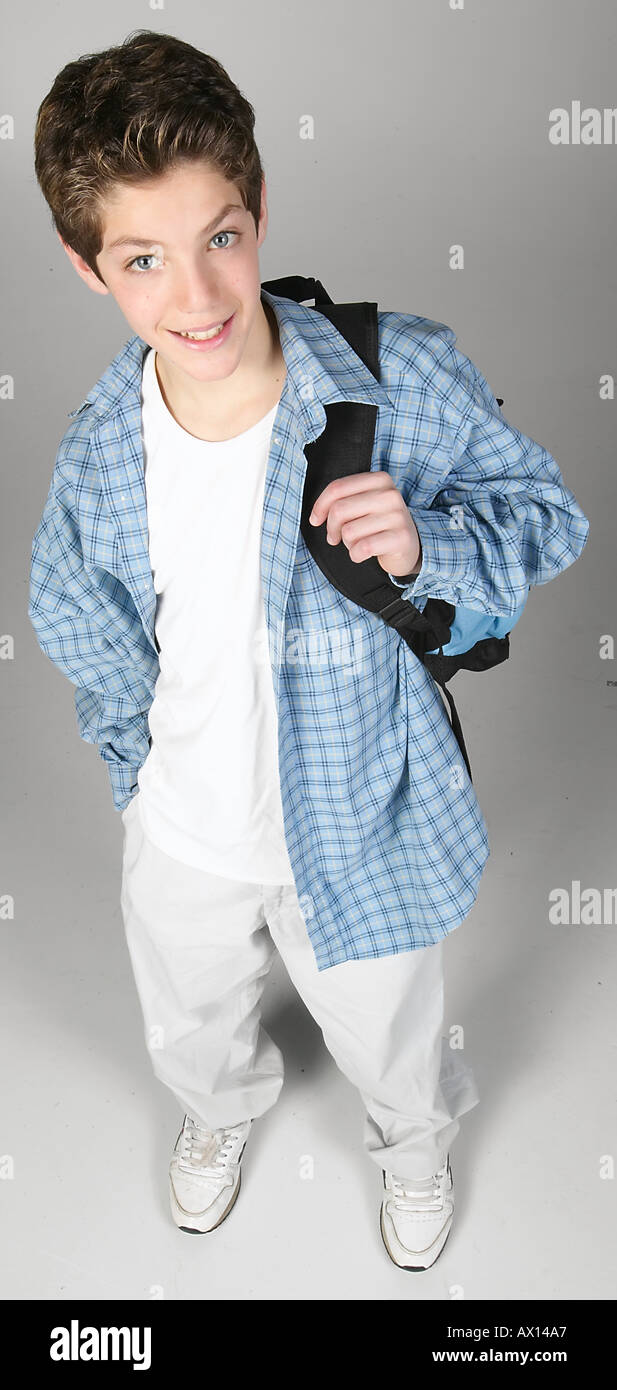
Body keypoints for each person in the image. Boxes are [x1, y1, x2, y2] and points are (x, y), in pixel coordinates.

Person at [28, 29, 589, 1272]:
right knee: (190, 1018)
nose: (199, 297)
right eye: (143, 260)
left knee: (391, 1029)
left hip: (365, 813)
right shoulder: (99, 452)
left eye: (221, 237)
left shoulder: (399, 380)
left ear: (261, 206)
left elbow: (548, 515)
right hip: (186, 825)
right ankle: (220, 1116)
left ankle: (411, 1147)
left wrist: (422, 547)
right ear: (88, 270)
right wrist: (140, 778)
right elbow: (81, 616)